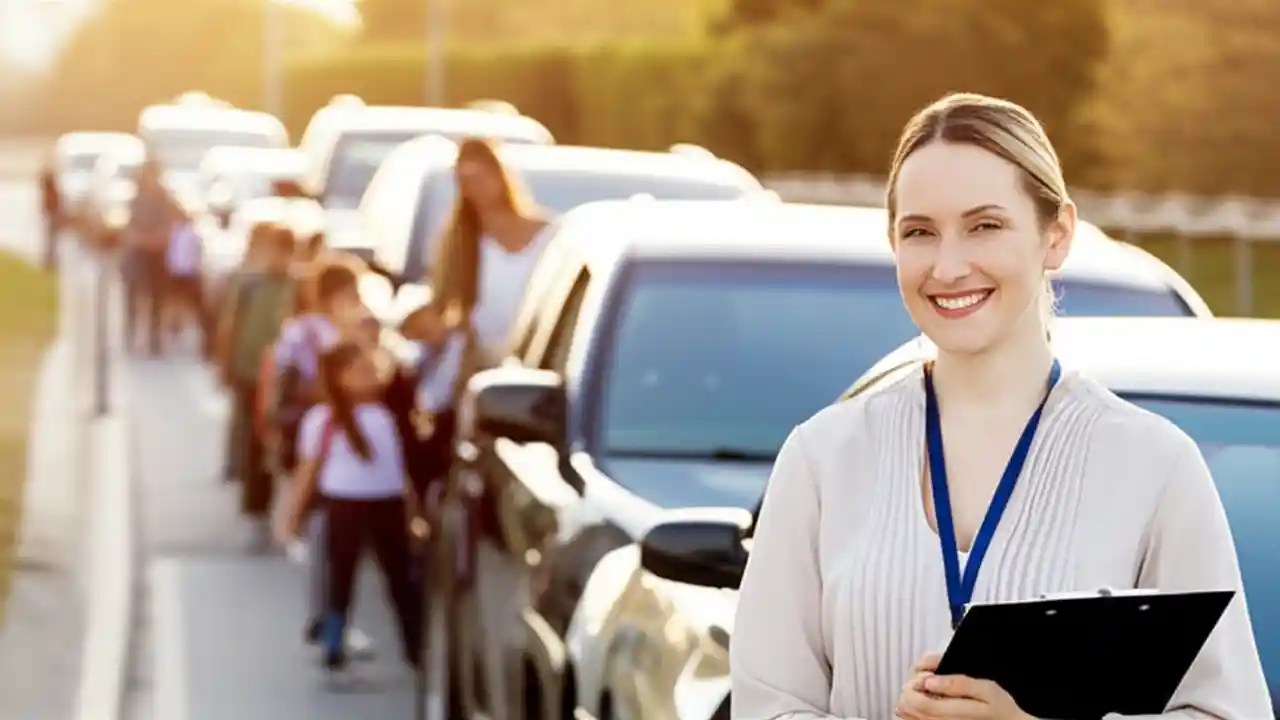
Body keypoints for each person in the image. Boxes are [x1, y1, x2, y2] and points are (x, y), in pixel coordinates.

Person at [729, 92, 1273, 720]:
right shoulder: (821, 458)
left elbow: (1227, 712)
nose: (948, 266)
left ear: (1056, 235)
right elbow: (767, 705)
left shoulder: (1155, 465)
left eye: (984, 226)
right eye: (920, 232)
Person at [400, 136, 553, 720]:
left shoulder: (549, 235)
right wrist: (436, 330)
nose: (474, 188)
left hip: (536, 374)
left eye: (480, 175)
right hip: (480, 379)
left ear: (500, 175)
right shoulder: (459, 240)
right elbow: (448, 310)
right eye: (463, 180)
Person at [280, 341, 422, 674]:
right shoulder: (322, 420)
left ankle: (415, 646)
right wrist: (292, 517)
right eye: (360, 371)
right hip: (343, 504)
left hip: (387, 502)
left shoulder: (385, 416)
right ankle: (333, 641)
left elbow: (399, 471)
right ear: (339, 379)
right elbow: (307, 472)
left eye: (371, 369)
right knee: (340, 578)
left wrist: (412, 512)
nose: (370, 376)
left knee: (400, 577)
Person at [220, 222, 297, 551]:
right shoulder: (250, 284)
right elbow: (231, 325)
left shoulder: (298, 286)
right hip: (251, 372)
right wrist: (226, 363)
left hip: (284, 379)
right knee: (253, 442)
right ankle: (255, 512)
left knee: (279, 445)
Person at [123, 158, 177, 357]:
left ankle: (155, 338)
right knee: (133, 293)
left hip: (157, 255)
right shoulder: (136, 200)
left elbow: (169, 225)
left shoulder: (164, 199)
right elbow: (130, 228)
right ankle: (130, 333)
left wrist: (156, 238)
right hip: (139, 254)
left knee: (157, 297)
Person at [163, 210, 204, 354]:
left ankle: (178, 327)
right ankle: (177, 327)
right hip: (185, 272)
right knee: (182, 303)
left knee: (179, 302)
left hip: (179, 271)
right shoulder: (189, 233)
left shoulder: (177, 232)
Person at [39, 158, 61, 271]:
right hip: (51, 214)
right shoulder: (49, 189)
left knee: (52, 239)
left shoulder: (51, 189)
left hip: (53, 214)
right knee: (50, 239)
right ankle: (49, 260)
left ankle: (50, 259)